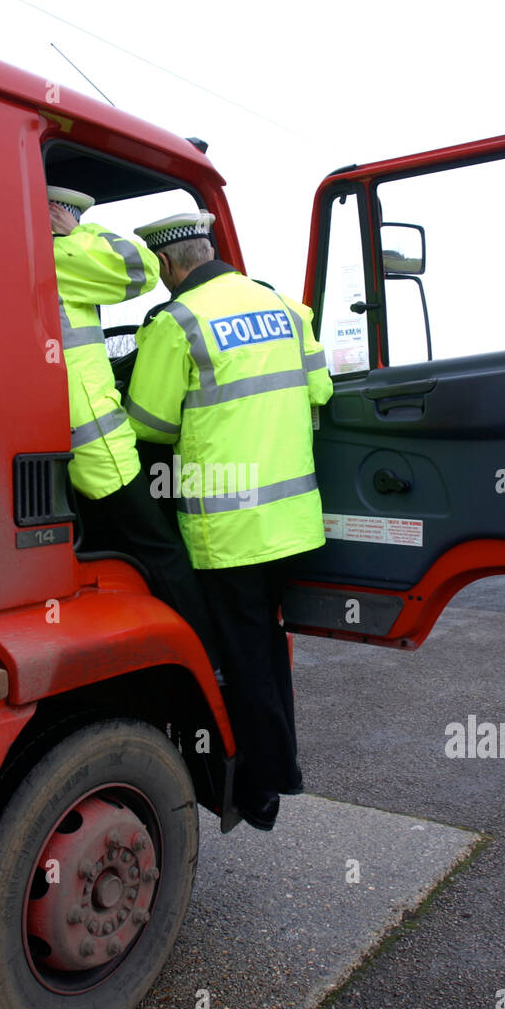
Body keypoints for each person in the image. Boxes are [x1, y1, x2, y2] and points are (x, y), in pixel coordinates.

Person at [125, 211, 333, 830]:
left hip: (229, 526)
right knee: (268, 647)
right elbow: (320, 391)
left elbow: (148, 426)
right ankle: (282, 770)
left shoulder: (177, 322)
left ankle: (263, 787)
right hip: (293, 521)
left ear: (166, 265)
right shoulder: (288, 310)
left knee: (242, 657)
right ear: (209, 248)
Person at [48, 187, 221, 670]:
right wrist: (79, 232)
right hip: (94, 439)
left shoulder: (20, 259)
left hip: (56, 437)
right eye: (71, 217)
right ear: (59, 219)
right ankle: (207, 658)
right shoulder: (59, 254)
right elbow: (139, 266)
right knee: (162, 550)